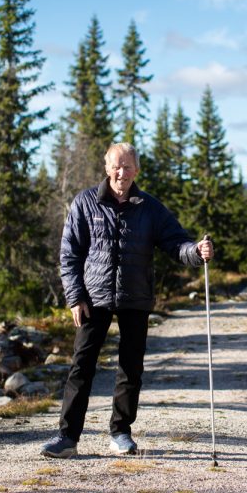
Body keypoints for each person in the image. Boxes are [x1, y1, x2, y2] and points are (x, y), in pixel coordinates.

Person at [41, 143, 213, 459]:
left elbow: (176, 243)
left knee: (130, 368)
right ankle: (67, 438)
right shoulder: (85, 203)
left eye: (128, 166)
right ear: (107, 168)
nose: (122, 172)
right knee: (82, 365)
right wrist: (75, 296)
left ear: (136, 169)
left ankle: (120, 433)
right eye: (116, 166)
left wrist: (195, 251)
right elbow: (70, 255)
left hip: (135, 296)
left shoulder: (150, 207)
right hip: (94, 297)